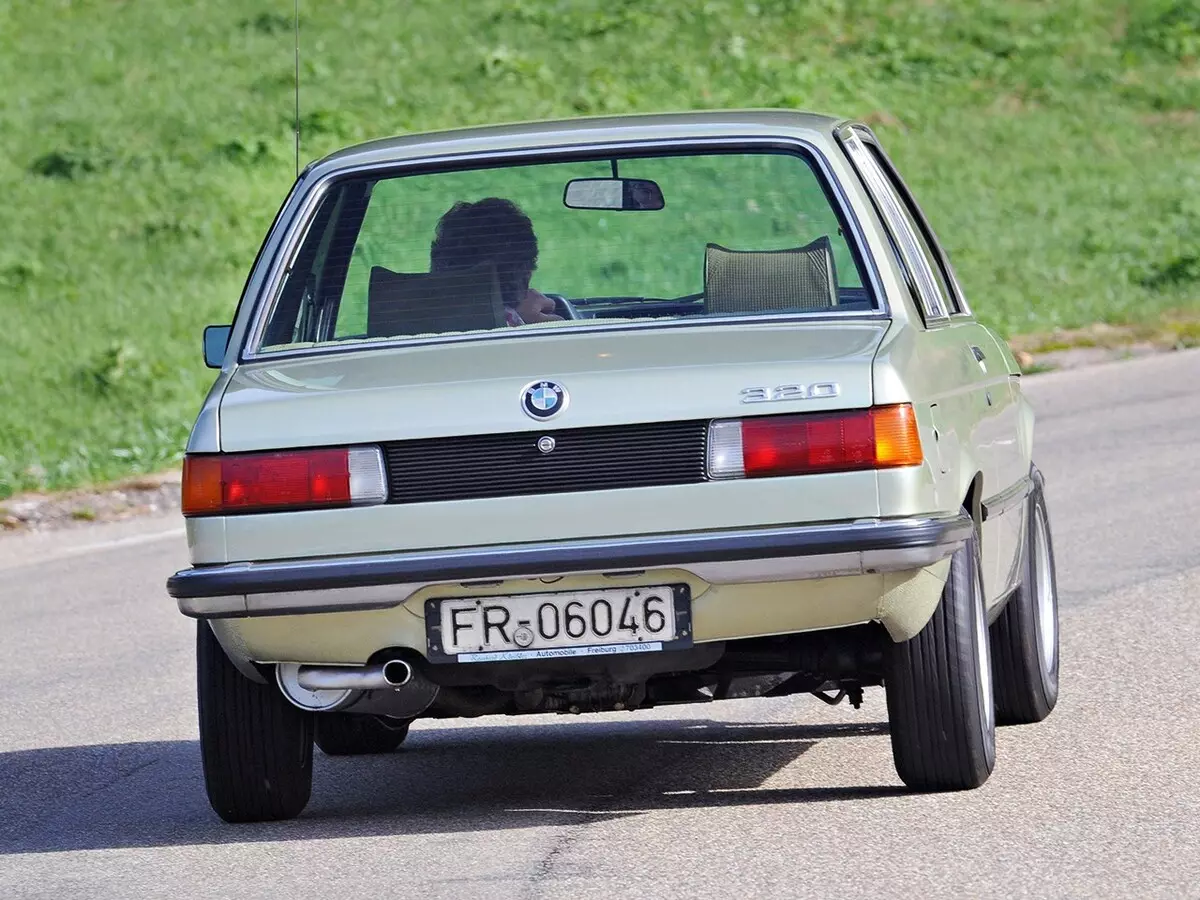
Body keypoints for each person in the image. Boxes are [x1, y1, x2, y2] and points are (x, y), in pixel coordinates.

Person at [429, 197, 562, 326]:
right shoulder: (540, 333)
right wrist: (527, 324)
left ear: (437, 269)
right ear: (525, 276)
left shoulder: (413, 323)